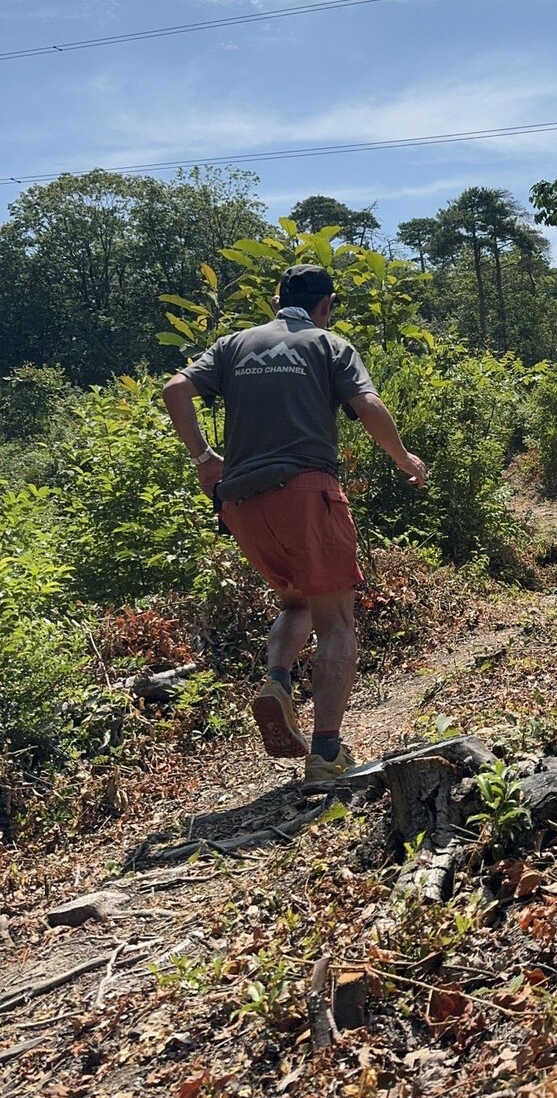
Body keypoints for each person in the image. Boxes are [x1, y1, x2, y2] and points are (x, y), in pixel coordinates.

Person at [162, 263, 427, 790]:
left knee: (296, 602)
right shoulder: (329, 345)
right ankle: (326, 753)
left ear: (277, 300)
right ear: (325, 305)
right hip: (307, 495)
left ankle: (278, 681)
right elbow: (368, 404)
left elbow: (175, 389)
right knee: (338, 622)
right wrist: (404, 459)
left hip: (240, 504)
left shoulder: (233, 344)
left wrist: (203, 458)